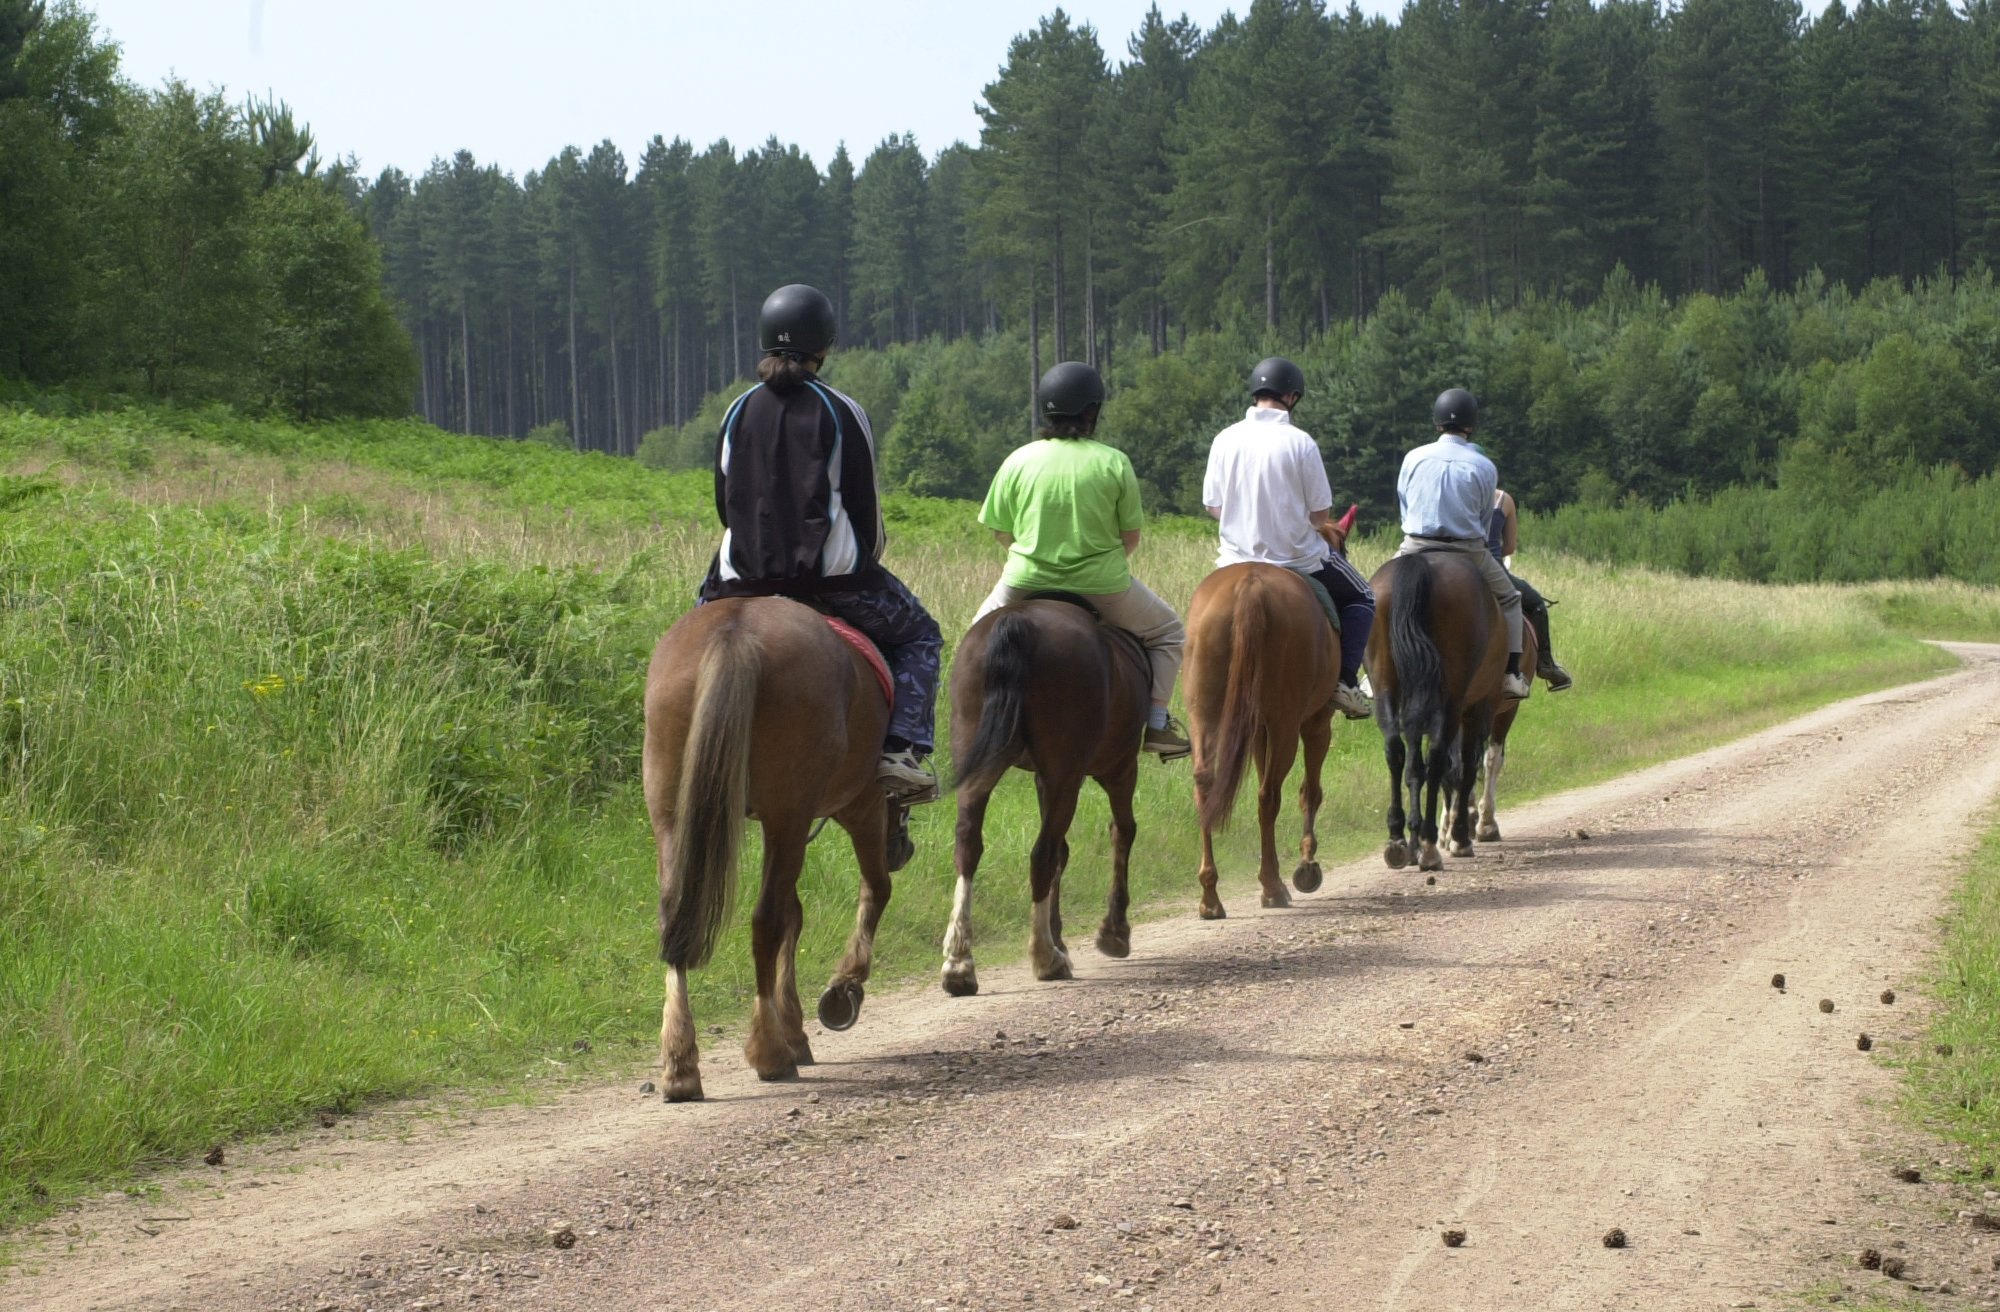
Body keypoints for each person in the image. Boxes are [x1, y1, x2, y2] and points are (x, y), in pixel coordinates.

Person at [697, 283, 944, 803]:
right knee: (922, 636)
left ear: (764, 342)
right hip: (833, 580)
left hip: (739, 579)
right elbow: (866, 512)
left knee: (695, 640)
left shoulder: (735, 411)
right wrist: (865, 560)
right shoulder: (842, 410)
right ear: (825, 346)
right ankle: (902, 751)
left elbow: (725, 503)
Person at [974, 362, 1191, 760]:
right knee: (1170, 633)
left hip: (1025, 580)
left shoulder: (1019, 460)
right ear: (1092, 411)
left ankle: (970, 722)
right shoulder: (1113, 461)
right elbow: (1130, 538)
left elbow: (1000, 531)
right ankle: (1158, 725)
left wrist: (1034, 553)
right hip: (1102, 584)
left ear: (1046, 410)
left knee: (974, 641)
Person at [1200, 356, 1374, 719]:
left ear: (1256, 393)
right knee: (1364, 596)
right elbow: (1321, 517)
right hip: (1297, 560)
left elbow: (1213, 506)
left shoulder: (1224, 438)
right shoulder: (1301, 442)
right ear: (1292, 397)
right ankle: (1345, 681)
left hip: (1234, 560)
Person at [1394, 388, 1530, 701]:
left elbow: (1404, 505)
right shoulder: (1484, 466)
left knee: (1373, 596)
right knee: (1510, 598)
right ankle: (1511, 673)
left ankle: (1369, 676)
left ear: (1437, 422)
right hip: (1468, 550)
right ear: (1471, 425)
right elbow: (1485, 519)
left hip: (1416, 546)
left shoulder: (1413, 457)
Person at [1488, 487, 1574, 692]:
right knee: (1535, 602)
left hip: (1453, 562)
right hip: (1491, 567)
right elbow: (1509, 547)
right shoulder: (1502, 499)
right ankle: (1546, 665)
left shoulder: (1456, 496)